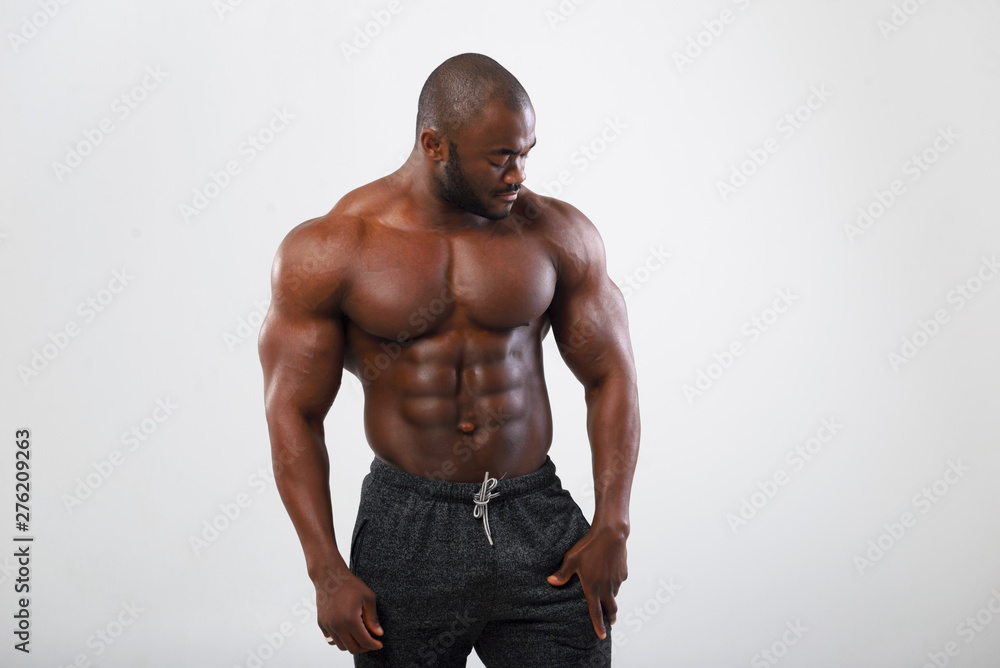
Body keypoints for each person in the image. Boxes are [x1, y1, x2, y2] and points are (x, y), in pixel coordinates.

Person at [258, 52, 640, 667]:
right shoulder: (333, 249)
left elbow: (610, 374)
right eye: (500, 157)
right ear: (434, 144)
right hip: (407, 527)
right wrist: (325, 569)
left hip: (535, 524)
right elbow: (293, 412)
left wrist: (613, 522)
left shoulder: (554, 235)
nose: (518, 173)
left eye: (526, 153)